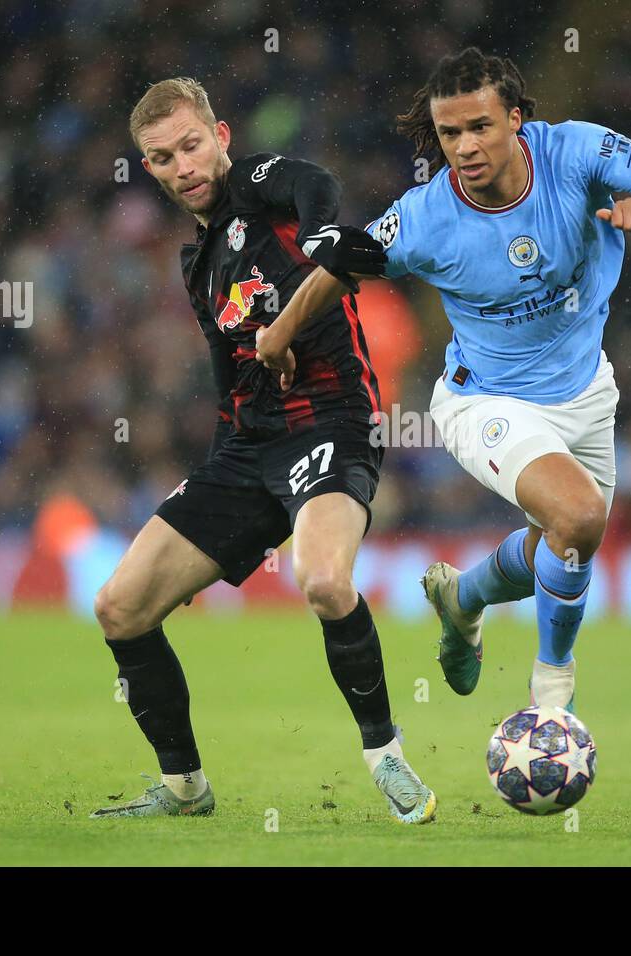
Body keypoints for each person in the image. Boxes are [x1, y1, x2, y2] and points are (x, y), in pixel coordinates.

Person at [255, 49, 631, 712]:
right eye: (450, 134)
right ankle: (551, 703)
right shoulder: (425, 217)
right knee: (580, 516)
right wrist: (277, 335)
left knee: (565, 540)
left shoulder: (577, 154)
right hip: (485, 400)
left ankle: (463, 598)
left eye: (480, 127)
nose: (465, 147)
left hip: (587, 394)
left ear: (515, 117)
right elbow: (342, 265)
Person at [91, 77, 436, 824]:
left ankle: (387, 758)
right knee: (120, 608)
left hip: (330, 426)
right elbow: (228, 386)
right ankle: (184, 788)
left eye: (190, 144)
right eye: (161, 158)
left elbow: (317, 183)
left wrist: (318, 238)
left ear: (219, 135)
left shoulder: (256, 188)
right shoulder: (199, 265)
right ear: (146, 168)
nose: (183, 166)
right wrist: (208, 525)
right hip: (247, 454)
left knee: (321, 581)